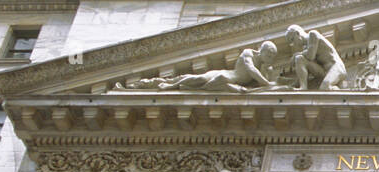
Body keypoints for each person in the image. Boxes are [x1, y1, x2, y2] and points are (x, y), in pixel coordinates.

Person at [119, 41, 279, 92]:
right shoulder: (248, 54)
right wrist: (267, 84)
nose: (271, 59)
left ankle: (172, 85)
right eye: (270, 55)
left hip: (229, 84)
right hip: (225, 75)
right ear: (262, 50)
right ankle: (167, 85)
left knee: (198, 83)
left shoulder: (265, 66)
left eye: (273, 57)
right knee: (199, 78)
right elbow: (251, 70)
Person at [286, 25, 347, 90]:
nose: (294, 44)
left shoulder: (312, 34)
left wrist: (296, 55)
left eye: (292, 40)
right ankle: (303, 87)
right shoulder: (305, 49)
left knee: (324, 87)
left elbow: (310, 55)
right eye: (291, 43)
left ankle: (337, 90)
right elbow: (305, 71)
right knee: (299, 59)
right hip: (324, 72)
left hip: (336, 67)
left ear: (297, 33)